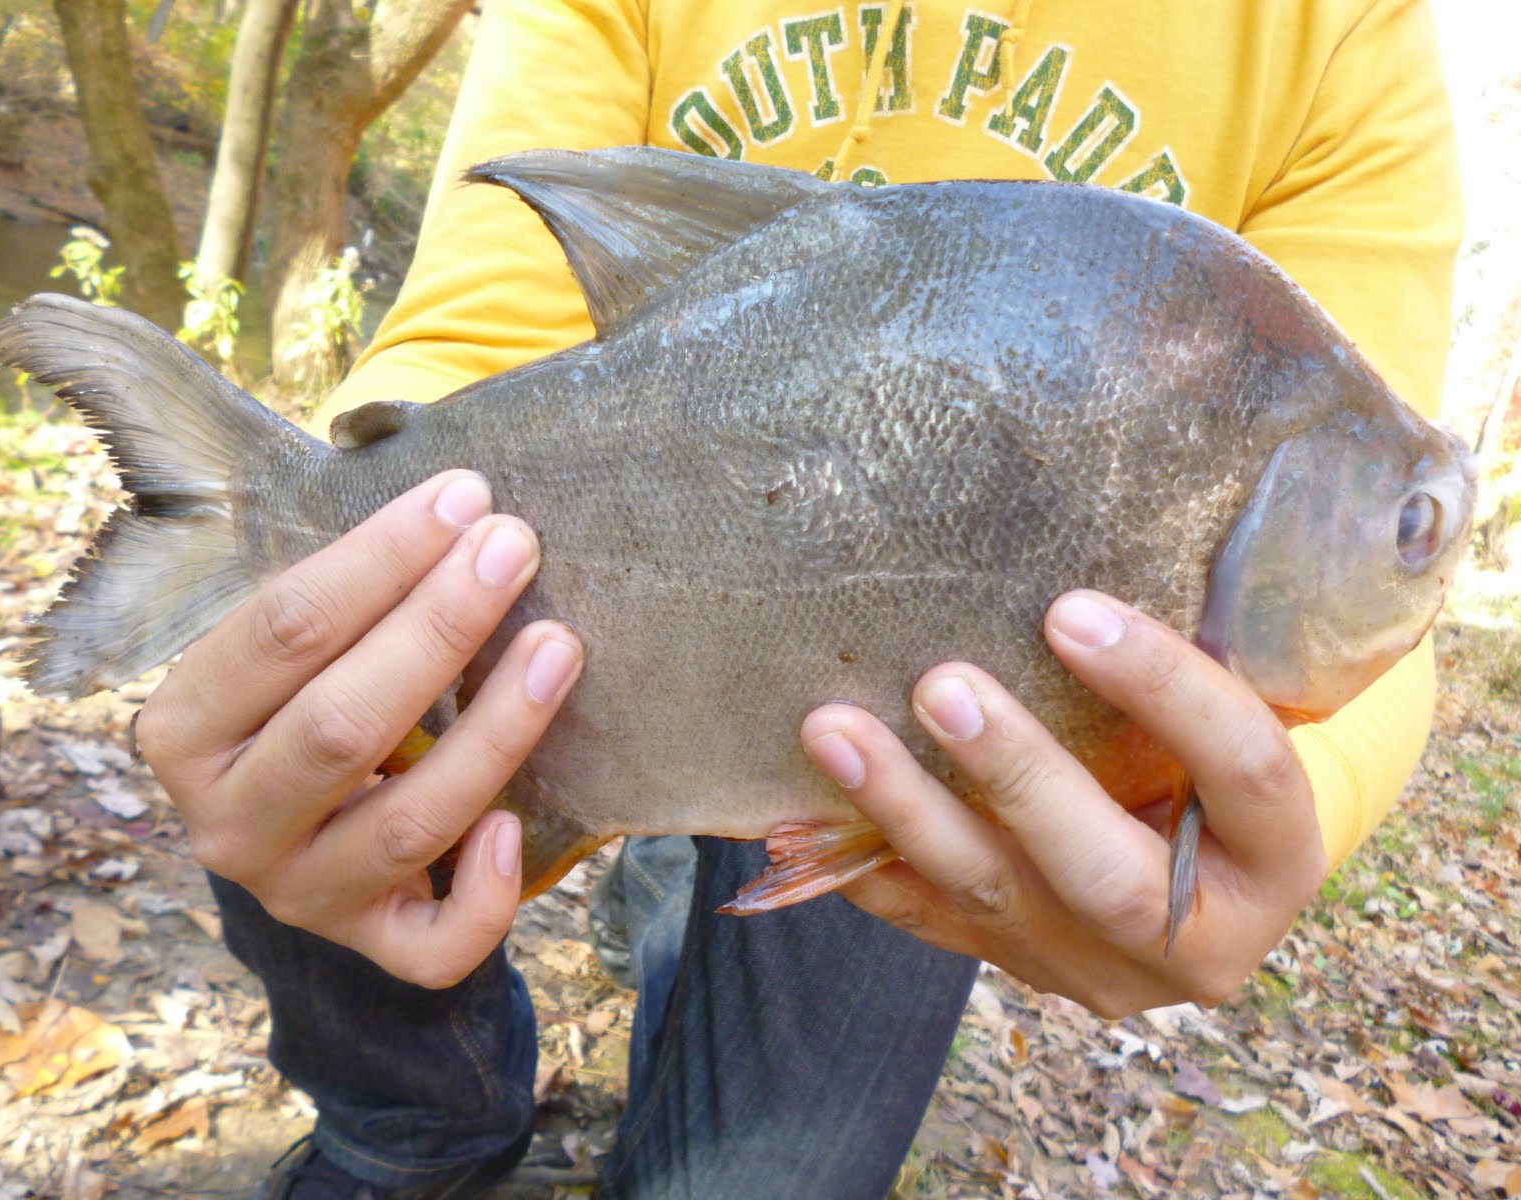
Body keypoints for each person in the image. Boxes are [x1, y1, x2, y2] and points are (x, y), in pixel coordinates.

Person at [132, 2, 1462, 1196]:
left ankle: (657, 860)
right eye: (1415, 525)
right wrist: (337, 560)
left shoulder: (1342, 30)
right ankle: (412, 1128)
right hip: (619, 592)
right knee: (289, 709)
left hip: (934, 790)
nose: (1426, 540)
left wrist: (1274, 826)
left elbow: (1360, 658)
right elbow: (478, 335)